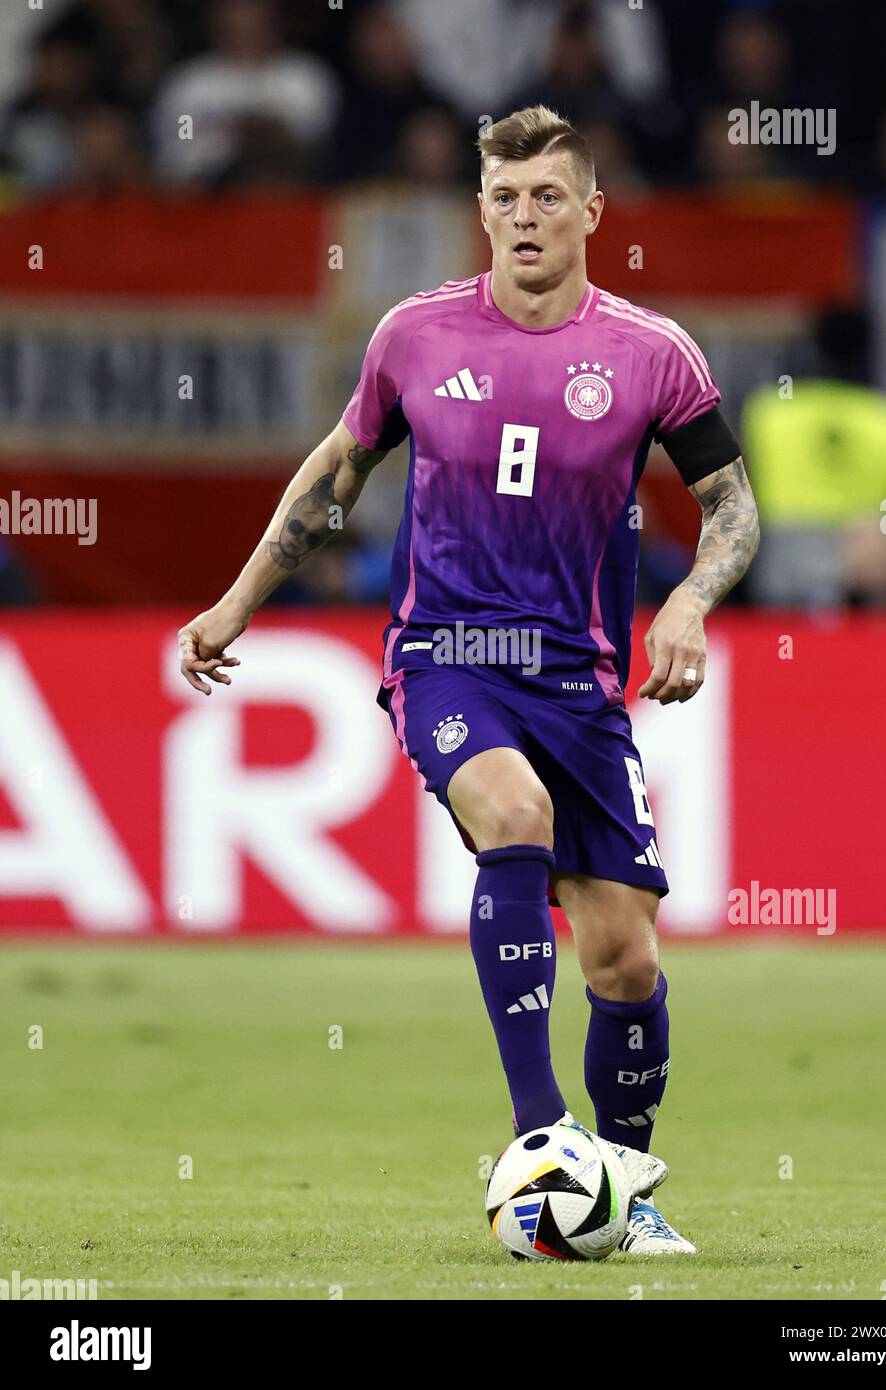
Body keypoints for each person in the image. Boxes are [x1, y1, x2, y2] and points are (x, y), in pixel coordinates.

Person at [178, 105, 760, 1256]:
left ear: (592, 212)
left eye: (548, 197)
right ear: (478, 211)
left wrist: (688, 598)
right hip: (447, 654)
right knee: (512, 811)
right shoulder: (412, 336)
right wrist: (237, 600)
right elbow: (338, 473)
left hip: (579, 678)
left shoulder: (652, 352)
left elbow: (731, 505)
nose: (524, 218)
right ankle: (539, 1133)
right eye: (503, 199)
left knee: (624, 959)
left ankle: (626, 1188)